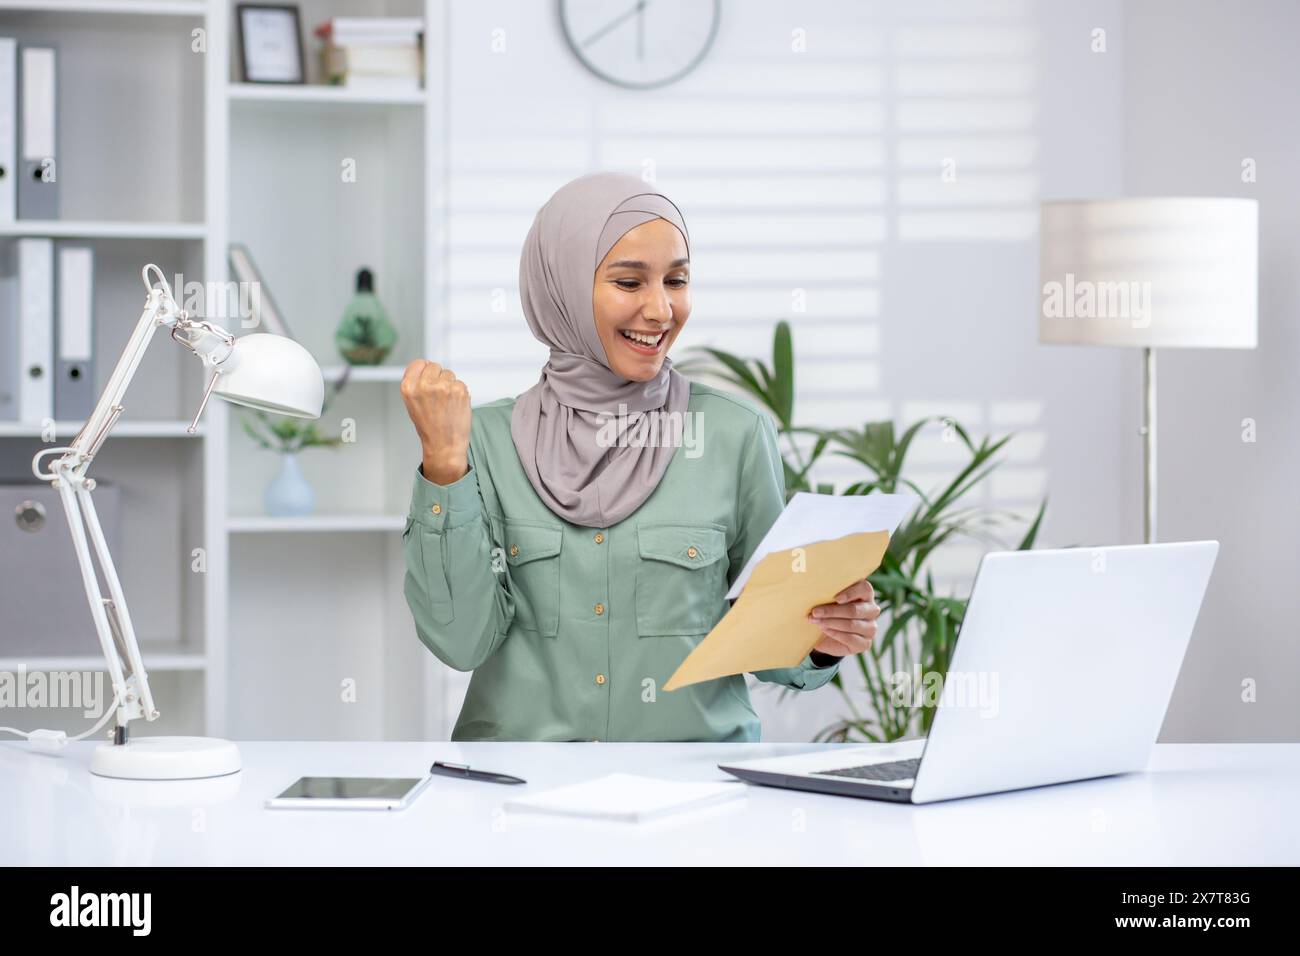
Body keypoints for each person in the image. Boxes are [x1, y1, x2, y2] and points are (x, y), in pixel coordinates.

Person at [400, 171, 880, 742]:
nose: (660, 310)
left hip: (694, 785)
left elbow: (772, 644)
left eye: (676, 281)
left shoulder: (734, 434)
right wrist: (444, 466)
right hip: (524, 784)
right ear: (561, 288)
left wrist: (825, 638)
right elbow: (460, 642)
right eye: (629, 282)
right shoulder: (479, 441)